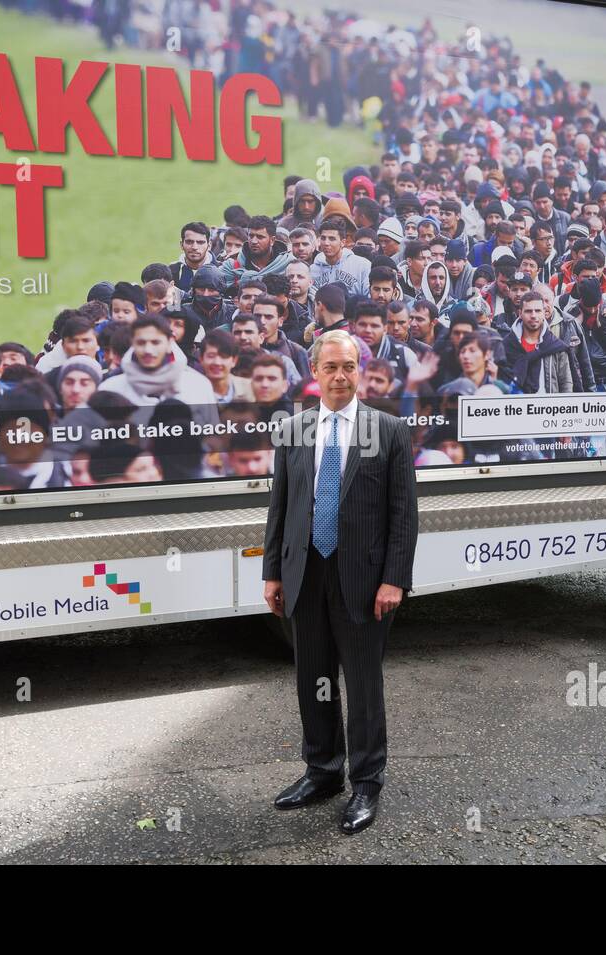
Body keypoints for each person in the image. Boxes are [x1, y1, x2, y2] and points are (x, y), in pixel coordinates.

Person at [262, 329, 418, 835]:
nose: (340, 376)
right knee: (314, 678)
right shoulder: (294, 431)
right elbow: (279, 508)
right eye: (330, 367)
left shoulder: (389, 431)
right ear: (315, 372)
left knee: (364, 685)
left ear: (360, 371)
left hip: (364, 582)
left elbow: (403, 516)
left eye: (348, 366)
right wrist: (271, 572)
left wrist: (394, 580)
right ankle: (322, 771)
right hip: (304, 575)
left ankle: (366, 783)